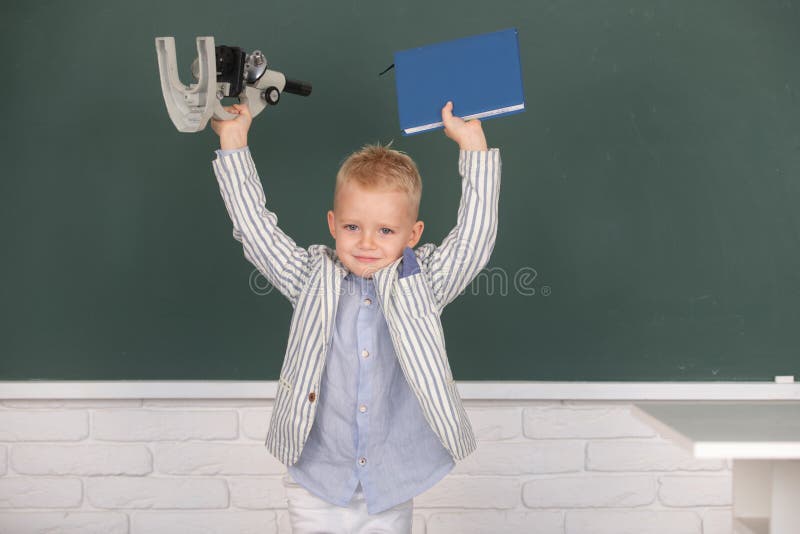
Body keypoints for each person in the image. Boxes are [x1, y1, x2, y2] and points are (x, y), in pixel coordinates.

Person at [210, 101, 501, 533]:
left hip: (390, 479)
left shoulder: (422, 282)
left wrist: (473, 146)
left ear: (413, 235)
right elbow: (256, 231)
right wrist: (233, 141)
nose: (366, 242)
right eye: (352, 227)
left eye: (385, 230)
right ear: (332, 223)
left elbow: (474, 239)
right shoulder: (310, 277)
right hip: (318, 477)